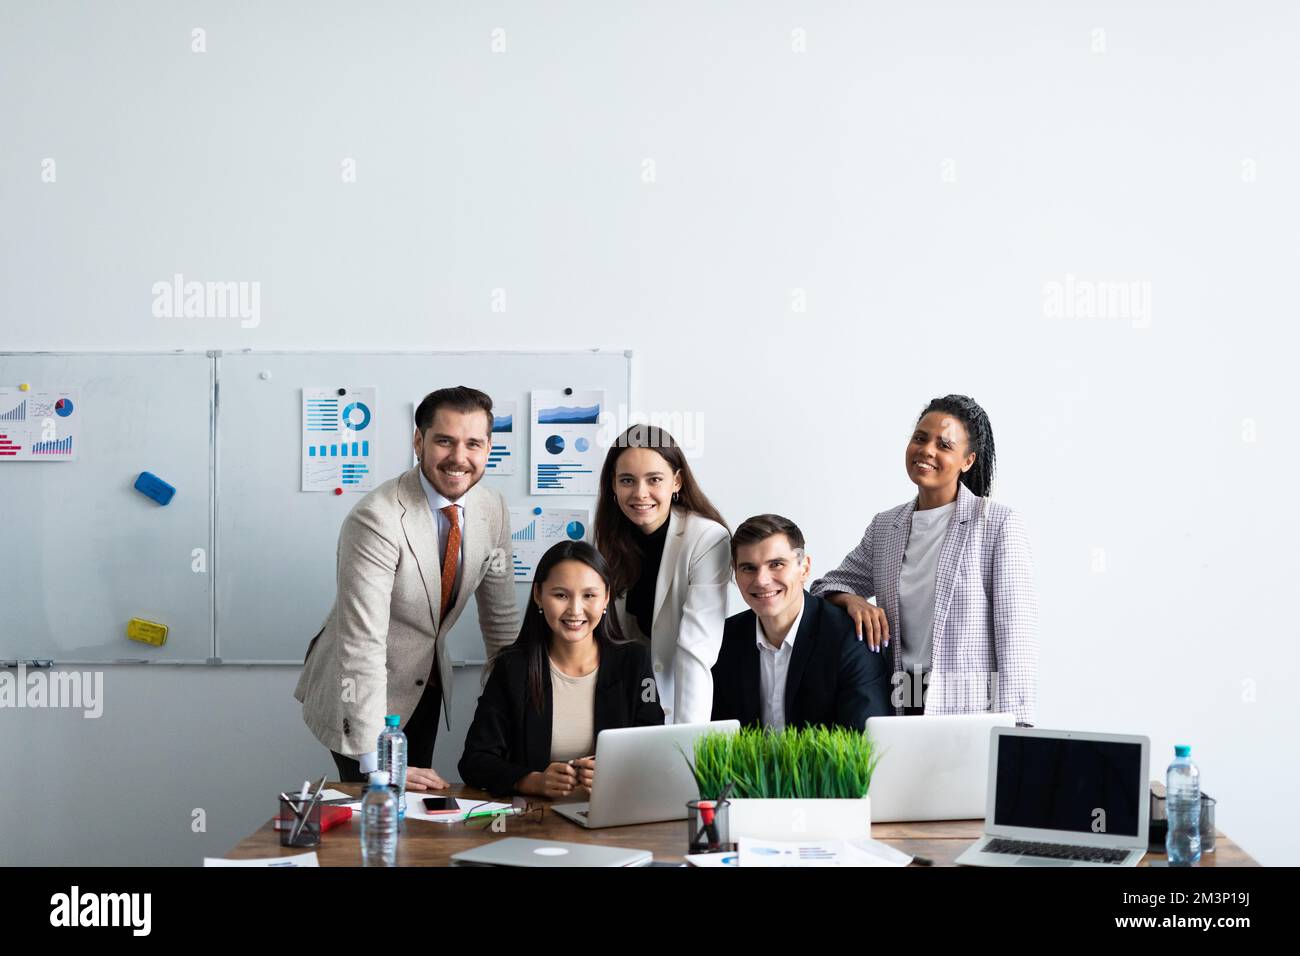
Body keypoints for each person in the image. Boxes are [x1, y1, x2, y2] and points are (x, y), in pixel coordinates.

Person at [294, 386, 519, 788]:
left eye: (473, 444)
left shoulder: (493, 508)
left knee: (416, 813)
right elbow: (361, 641)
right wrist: (374, 760)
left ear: (488, 447)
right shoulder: (376, 519)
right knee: (379, 805)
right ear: (419, 441)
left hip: (424, 682)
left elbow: (501, 624)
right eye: (444, 441)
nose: (459, 458)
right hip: (358, 687)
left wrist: (519, 710)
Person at [810, 394, 1038, 725]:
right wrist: (853, 601)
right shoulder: (886, 525)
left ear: (967, 460)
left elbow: (1016, 636)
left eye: (944, 445)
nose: (927, 450)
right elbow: (824, 586)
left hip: (970, 706)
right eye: (920, 438)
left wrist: (1020, 729)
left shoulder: (996, 523)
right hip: (901, 699)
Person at [458, 541, 664, 797]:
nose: (575, 610)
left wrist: (614, 771)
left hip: (612, 816)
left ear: (606, 598)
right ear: (538, 595)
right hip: (535, 820)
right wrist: (532, 781)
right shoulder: (512, 667)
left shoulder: (636, 662)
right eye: (561, 595)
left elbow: (655, 752)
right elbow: (475, 761)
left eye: (589, 595)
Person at [594, 425, 730, 725]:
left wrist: (687, 742)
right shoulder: (601, 539)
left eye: (654, 479)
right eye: (627, 480)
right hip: (618, 698)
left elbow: (696, 651)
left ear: (677, 481)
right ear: (613, 486)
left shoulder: (707, 539)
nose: (640, 493)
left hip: (678, 700)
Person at [712, 514, 891, 731]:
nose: (761, 580)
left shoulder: (849, 638)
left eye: (776, 564)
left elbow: (862, 743)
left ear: (804, 568)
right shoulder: (723, 640)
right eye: (748, 568)